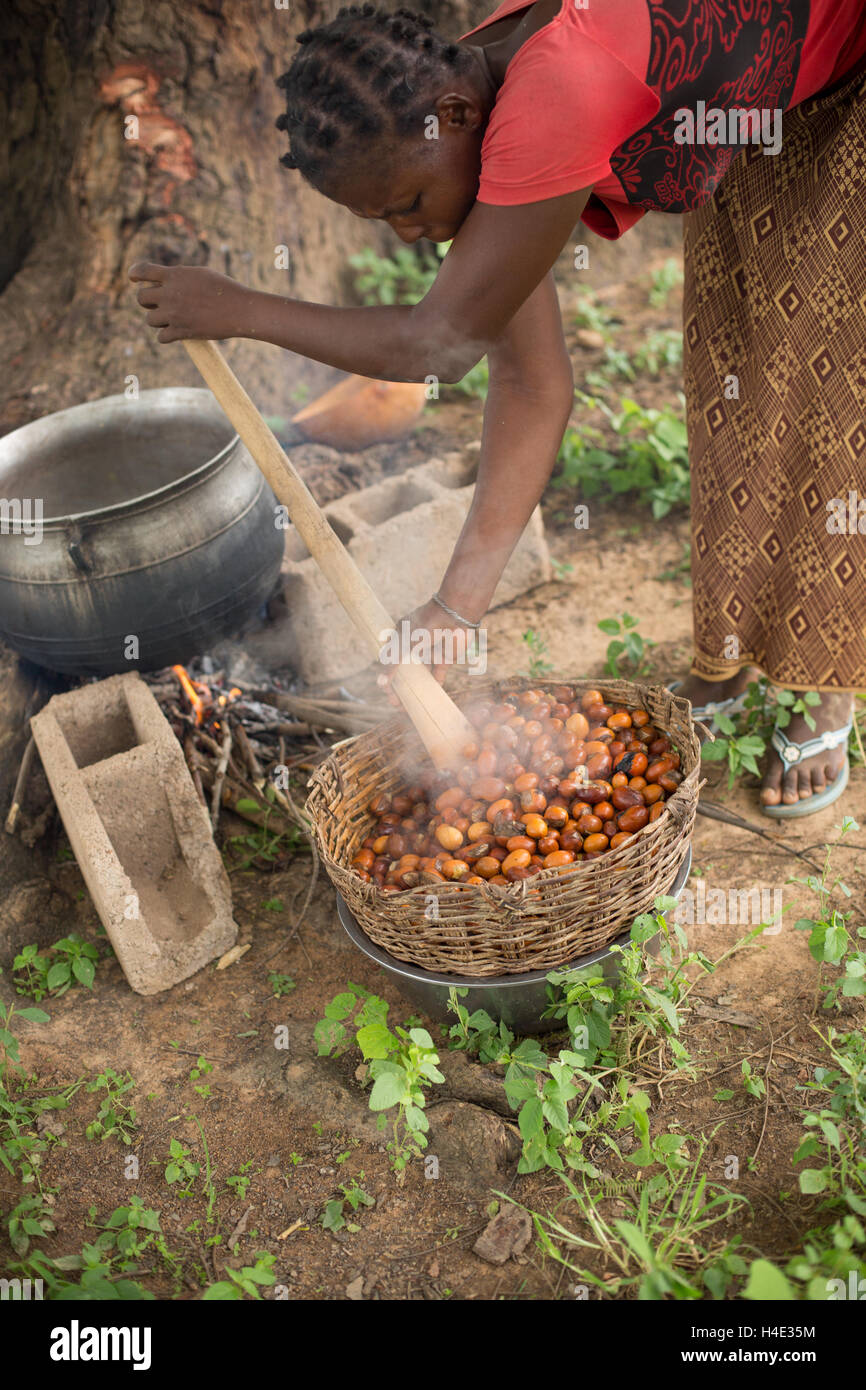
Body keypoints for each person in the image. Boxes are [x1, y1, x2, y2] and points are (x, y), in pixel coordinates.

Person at [130, 0, 866, 818]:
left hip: (846, 69)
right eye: (387, 220)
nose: (413, 233)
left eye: (408, 202)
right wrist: (452, 612)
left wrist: (241, 310)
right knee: (741, 379)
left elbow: (437, 346)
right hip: (758, 97)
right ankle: (731, 646)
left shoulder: (555, 92)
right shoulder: (458, 105)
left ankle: (821, 678)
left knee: (826, 393)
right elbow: (532, 383)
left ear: (454, 117)